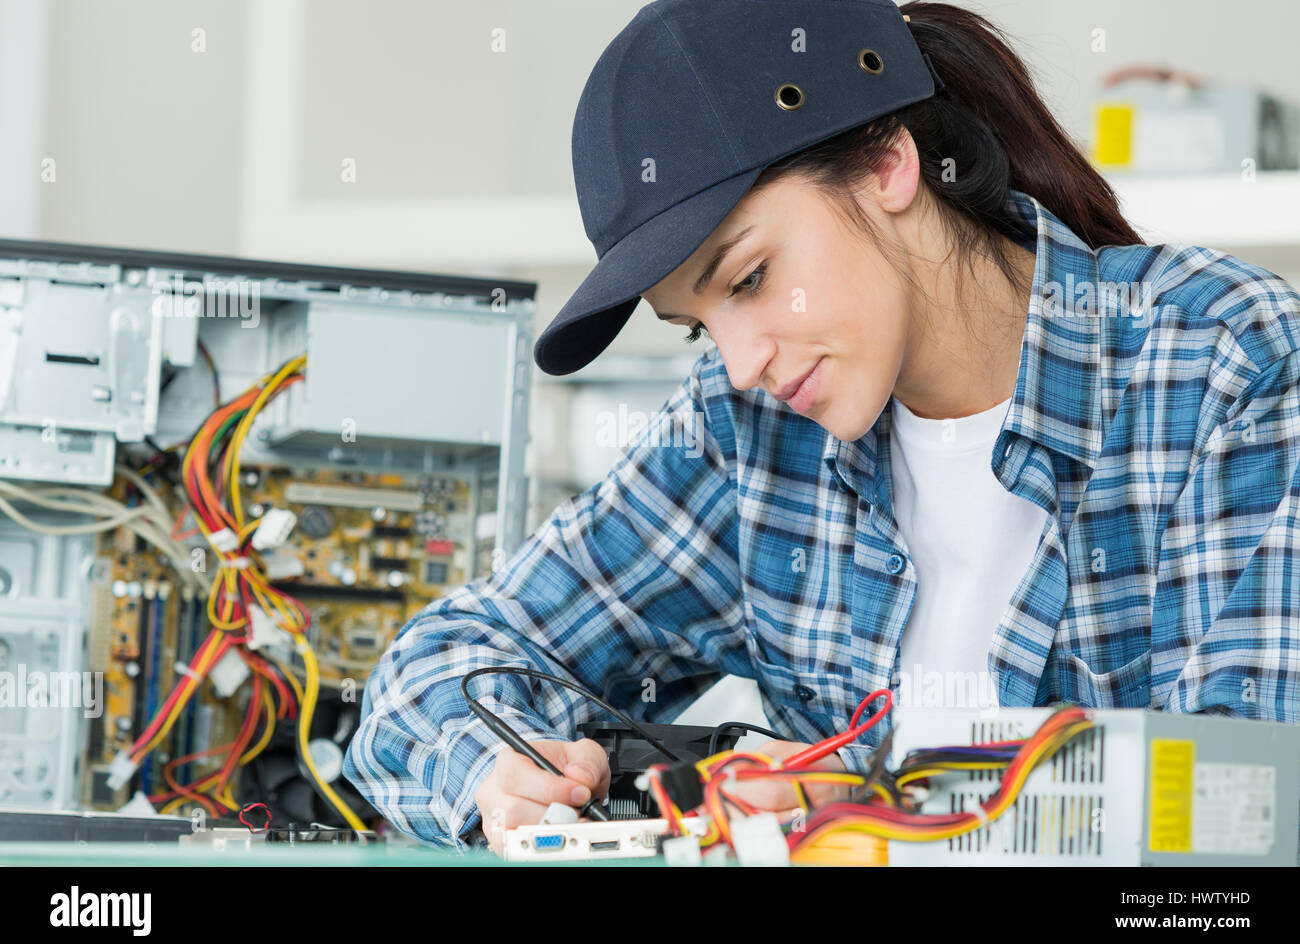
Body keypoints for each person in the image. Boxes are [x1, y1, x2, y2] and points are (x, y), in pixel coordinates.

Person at [343, 0, 1300, 853]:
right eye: (697, 328)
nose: (741, 361)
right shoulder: (746, 436)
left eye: (750, 278)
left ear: (889, 161)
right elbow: (438, 665)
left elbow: (1247, 820)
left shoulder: (1228, 369)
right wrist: (489, 778)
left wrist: (852, 809)